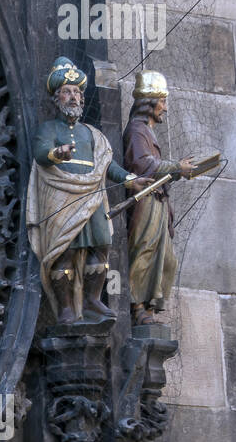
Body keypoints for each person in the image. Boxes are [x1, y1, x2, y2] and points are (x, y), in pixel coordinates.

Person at [26, 57, 153, 324]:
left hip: (92, 196)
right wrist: (56, 153)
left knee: (101, 245)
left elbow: (108, 165)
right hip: (62, 194)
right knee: (65, 251)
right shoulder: (49, 129)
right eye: (67, 92)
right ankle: (65, 308)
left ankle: (93, 301)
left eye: (77, 92)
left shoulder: (92, 134)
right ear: (56, 98)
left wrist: (131, 179)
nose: (73, 97)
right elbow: (40, 154)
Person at [123, 71, 193, 325]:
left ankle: (150, 307)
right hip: (145, 200)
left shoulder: (148, 131)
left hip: (159, 200)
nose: (164, 107)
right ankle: (137, 307)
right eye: (162, 101)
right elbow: (141, 164)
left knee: (168, 260)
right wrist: (176, 167)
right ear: (148, 102)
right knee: (145, 250)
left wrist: (177, 170)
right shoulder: (136, 129)